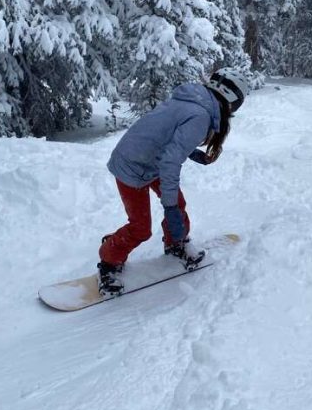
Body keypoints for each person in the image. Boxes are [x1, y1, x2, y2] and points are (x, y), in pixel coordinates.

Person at [97, 68, 250, 296]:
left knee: (177, 204)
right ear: (232, 100)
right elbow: (170, 163)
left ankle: (175, 244)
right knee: (140, 228)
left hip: (146, 160)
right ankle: (108, 263)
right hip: (133, 167)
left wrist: (192, 153)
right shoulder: (201, 115)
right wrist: (169, 209)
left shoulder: (194, 100)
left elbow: (166, 135)